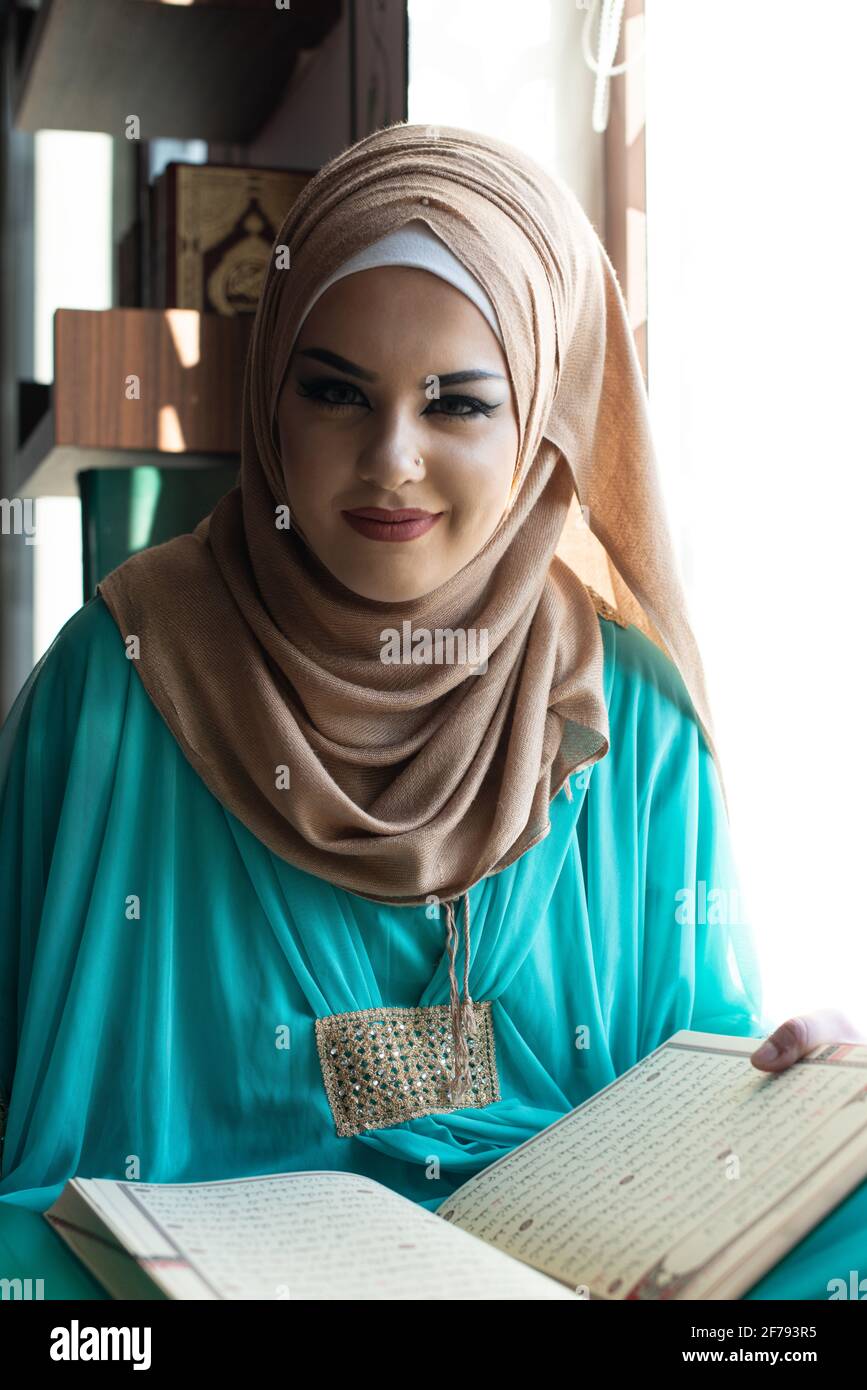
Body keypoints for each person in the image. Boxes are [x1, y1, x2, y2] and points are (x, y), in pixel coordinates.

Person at [0, 122, 864, 1300]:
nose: (391, 458)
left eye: (457, 403)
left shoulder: (631, 715)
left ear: (543, 423)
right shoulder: (120, 676)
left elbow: (700, 1115)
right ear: (270, 402)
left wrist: (803, 1095)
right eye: (335, 393)